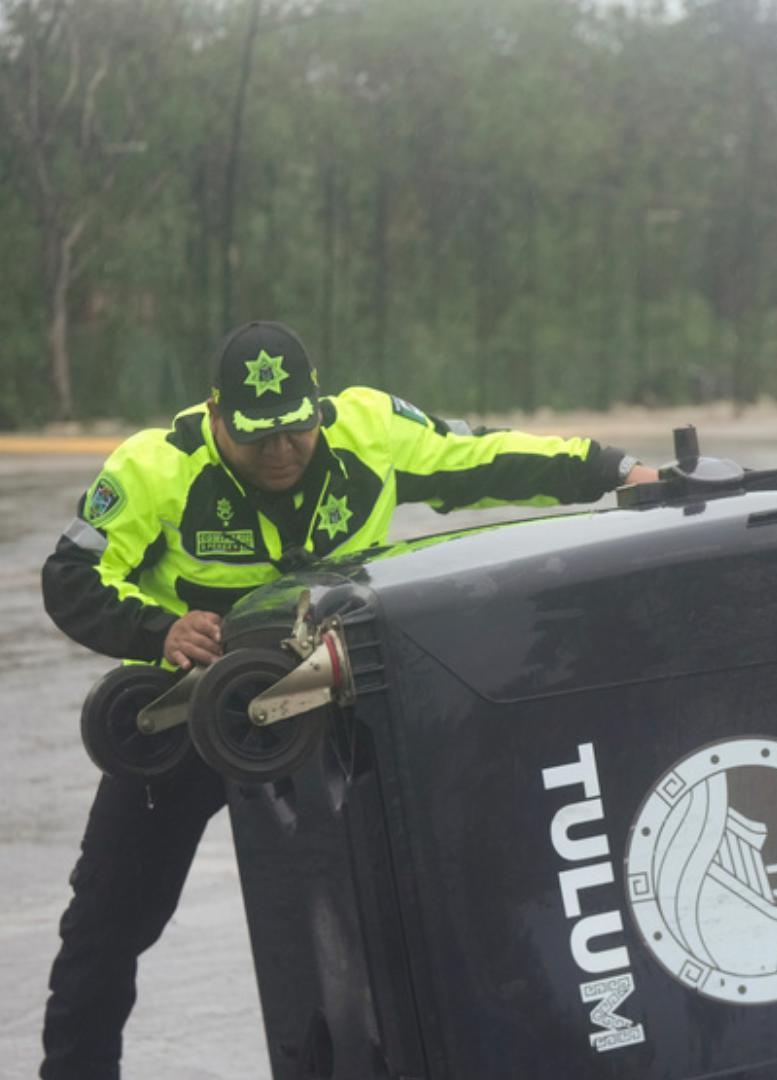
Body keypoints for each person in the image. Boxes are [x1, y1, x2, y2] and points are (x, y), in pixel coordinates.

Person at [37, 320, 656, 1079]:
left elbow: (485, 457)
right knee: (105, 926)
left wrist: (618, 469)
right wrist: (157, 626)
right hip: (191, 713)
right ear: (217, 415)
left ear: (318, 407)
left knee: (389, 919)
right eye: (258, 437)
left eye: (294, 431)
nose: (280, 452)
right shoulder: (153, 467)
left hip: (332, 712)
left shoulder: (371, 429)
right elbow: (69, 576)